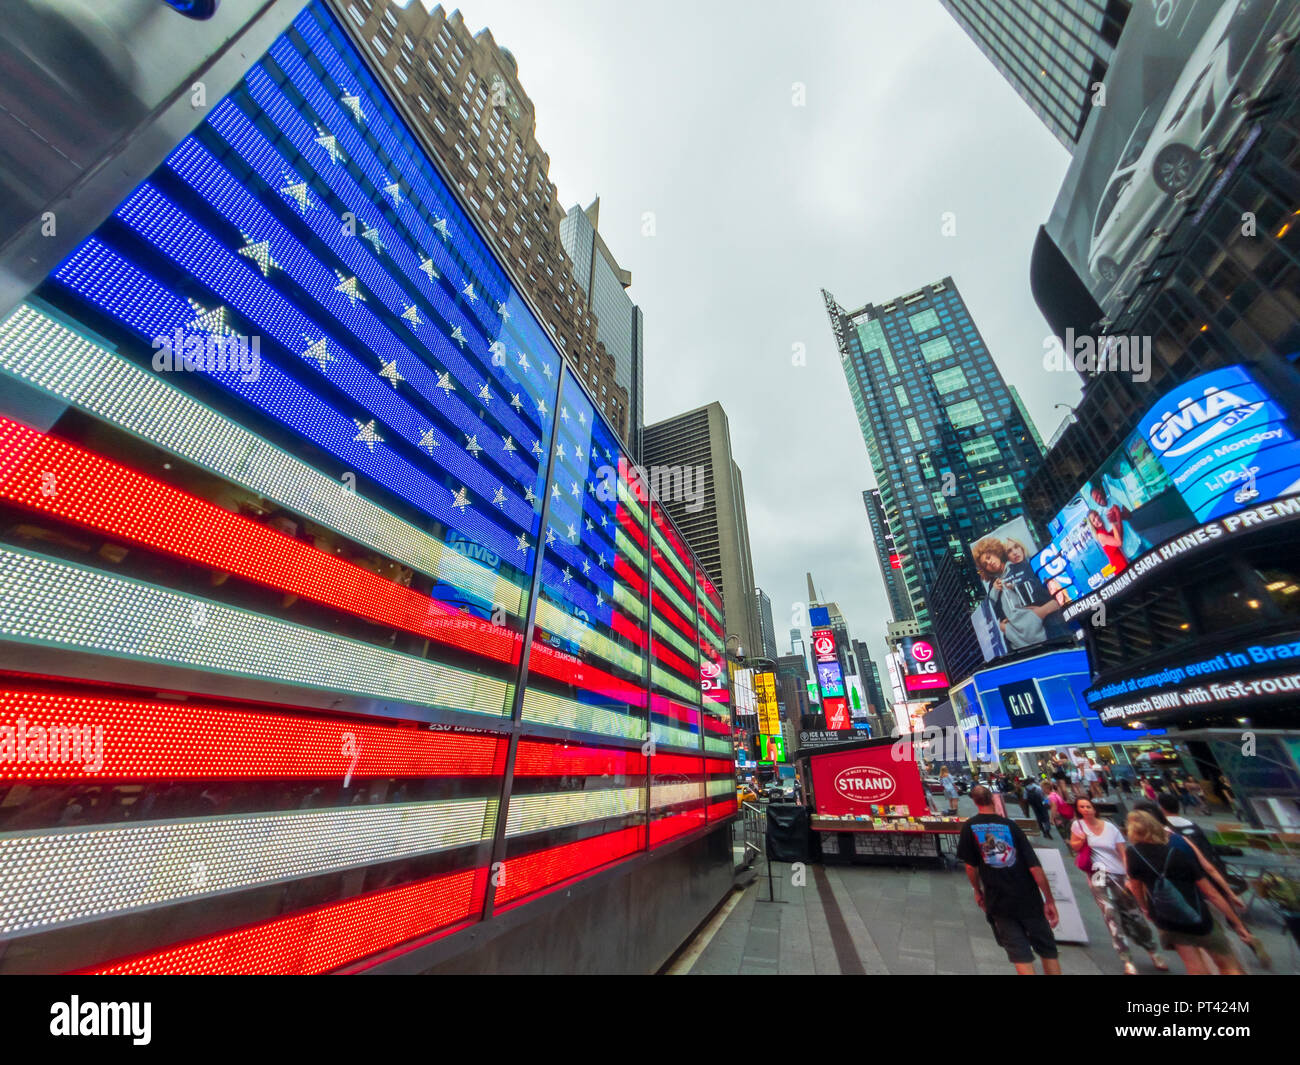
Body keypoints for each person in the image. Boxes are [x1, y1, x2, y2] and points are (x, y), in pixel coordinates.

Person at [1124, 810, 1252, 975]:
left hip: (1168, 918)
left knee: (1194, 966)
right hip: (1199, 917)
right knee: (1228, 966)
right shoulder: (1177, 852)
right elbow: (1211, 892)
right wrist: (1237, 923)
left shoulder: (1133, 853)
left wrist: (1146, 908)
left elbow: (1136, 887)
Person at [957, 785, 1060, 974]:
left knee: (1020, 955)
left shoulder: (970, 826)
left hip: (998, 899)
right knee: (1048, 951)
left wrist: (977, 890)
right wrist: (1049, 899)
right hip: (1029, 899)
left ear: (974, 801)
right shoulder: (1011, 826)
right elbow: (1035, 867)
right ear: (993, 800)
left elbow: (970, 866)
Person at [1069, 797, 1167, 975]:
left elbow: (1123, 853)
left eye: (1088, 806)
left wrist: (1129, 875)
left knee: (1133, 913)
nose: (1085, 809)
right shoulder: (1078, 826)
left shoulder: (1110, 827)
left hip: (1118, 873)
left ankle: (1152, 950)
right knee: (1110, 915)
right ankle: (1126, 959)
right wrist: (1081, 841)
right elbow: (1074, 845)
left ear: (1094, 808)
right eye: (1081, 807)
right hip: (1097, 873)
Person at [1086, 508, 1128, 575]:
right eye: (1093, 520)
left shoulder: (1105, 529)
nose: (1096, 519)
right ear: (1092, 525)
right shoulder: (1100, 535)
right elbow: (1119, 542)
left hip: (1124, 561)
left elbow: (1119, 535)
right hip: (1120, 567)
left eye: (1096, 515)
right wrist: (1112, 522)